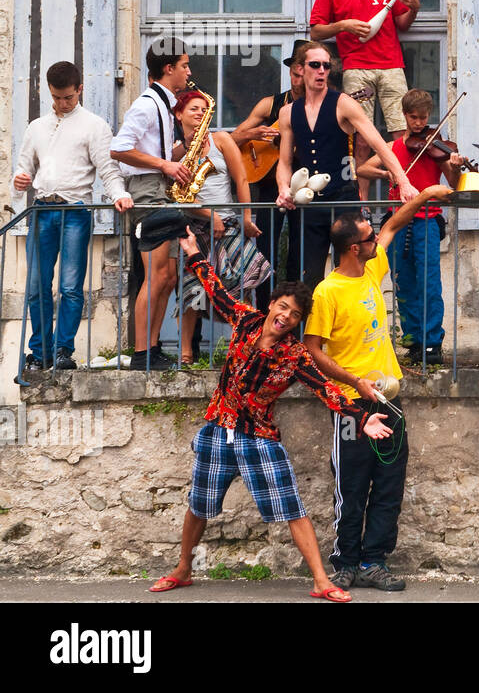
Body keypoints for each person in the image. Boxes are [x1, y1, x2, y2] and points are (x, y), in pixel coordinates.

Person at [149, 226, 391, 602]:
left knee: (292, 507)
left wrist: (362, 417)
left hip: (259, 437)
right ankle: (183, 569)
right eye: (283, 308)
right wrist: (194, 253)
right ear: (272, 304)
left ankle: (321, 581)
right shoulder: (245, 319)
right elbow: (215, 289)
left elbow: (326, 390)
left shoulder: (295, 355)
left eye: (295, 315)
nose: (286, 317)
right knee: (199, 505)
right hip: (218, 429)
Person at [302, 185, 448, 592]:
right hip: (351, 404)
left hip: (389, 400)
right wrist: (355, 382)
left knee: (388, 485)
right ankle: (346, 563)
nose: (376, 239)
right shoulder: (328, 292)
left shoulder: (370, 268)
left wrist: (426, 195)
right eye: (369, 237)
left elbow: (394, 224)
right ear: (353, 248)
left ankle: (374, 562)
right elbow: (312, 349)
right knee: (351, 487)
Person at [13, 61, 133, 379]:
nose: (62, 103)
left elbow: (108, 170)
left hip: (76, 211)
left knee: (70, 286)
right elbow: (23, 167)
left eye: (68, 97)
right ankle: (40, 353)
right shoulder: (36, 127)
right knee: (36, 286)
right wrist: (20, 179)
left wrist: (119, 194)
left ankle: (63, 351)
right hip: (41, 210)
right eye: (56, 97)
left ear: (80, 89)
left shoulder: (94, 126)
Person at [276, 42, 416, 293]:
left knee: (354, 273)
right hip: (309, 205)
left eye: (326, 66)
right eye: (315, 65)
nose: (321, 71)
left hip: (343, 200)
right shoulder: (287, 113)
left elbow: (379, 144)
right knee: (307, 279)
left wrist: (403, 181)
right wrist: (283, 188)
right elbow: (284, 162)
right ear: (300, 69)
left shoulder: (343, 103)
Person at [310, 0, 421, 197]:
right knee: (359, 139)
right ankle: (361, 204)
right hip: (356, 67)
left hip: (392, 64)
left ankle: (403, 195)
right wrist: (343, 25)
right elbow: (316, 30)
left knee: (402, 135)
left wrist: (415, 8)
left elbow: (403, 23)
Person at [356, 88, 464, 366]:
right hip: (397, 220)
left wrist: (453, 165)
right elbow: (362, 169)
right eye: (414, 117)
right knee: (402, 281)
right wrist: (388, 172)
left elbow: (454, 184)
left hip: (428, 219)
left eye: (423, 118)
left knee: (429, 281)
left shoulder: (436, 147)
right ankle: (413, 339)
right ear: (404, 115)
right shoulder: (393, 148)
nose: (419, 123)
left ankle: (432, 342)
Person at [110, 37, 193, 371]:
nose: (189, 72)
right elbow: (119, 149)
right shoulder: (146, 105)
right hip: (147, 190)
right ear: (169, 68)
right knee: (156, 275)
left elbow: (158, 153)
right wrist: (164, 165)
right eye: (185, 65)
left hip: (160, 188)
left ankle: (153, 347)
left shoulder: (164, 105)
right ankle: (142, 353)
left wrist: (186, 146)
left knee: (169, 276)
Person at [171, 89, 267, 365]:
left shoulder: (221, 139)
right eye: (193, 109)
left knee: (243, 284)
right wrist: (208, 215)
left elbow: (241, 180)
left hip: (228, 223)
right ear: (179, 114)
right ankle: (186, 355)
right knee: (191, 289)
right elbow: (179, 195)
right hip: (193, 226)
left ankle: (246, 349)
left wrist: (246, 218)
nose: (200, 113)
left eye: (204, 109)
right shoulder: (175, 152)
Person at [231, 40, 308, 308]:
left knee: (299, 253)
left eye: (304, 75)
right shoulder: (270, 104)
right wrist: (254, 133)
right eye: (295, 74)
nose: (299, 81)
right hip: (269, 186)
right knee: (265, 251)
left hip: (305, 188)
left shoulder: (321, 108)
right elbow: (232, 140)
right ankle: (263, 311)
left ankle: (296, 315)